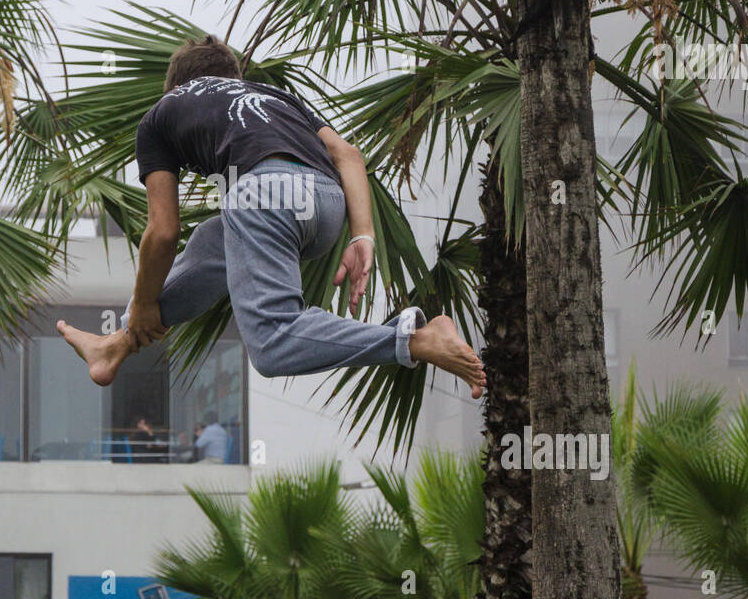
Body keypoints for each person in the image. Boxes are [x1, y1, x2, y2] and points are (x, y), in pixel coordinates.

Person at [58, 35, 485, 401]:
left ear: (174, 87)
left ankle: (412, 339)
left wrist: (148, 302)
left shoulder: (161, 114)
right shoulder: (278, 98)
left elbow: (163, 231)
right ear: (234, 79)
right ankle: (116, 345)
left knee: (272, 346)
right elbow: (349, 155)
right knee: (214, 239)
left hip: (264, 193)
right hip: (327, 205)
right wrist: (363, 236)